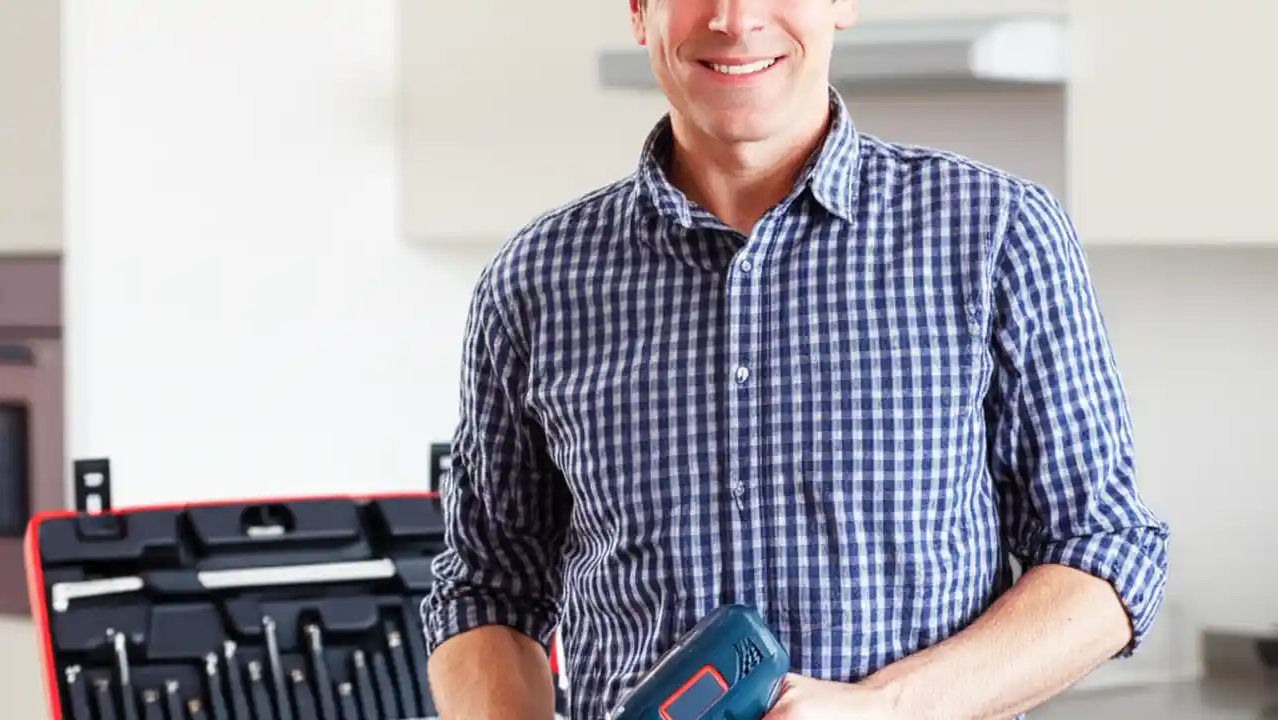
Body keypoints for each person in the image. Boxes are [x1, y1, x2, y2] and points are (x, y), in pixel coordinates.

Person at [422, 0, 1170, 718]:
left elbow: (1104, 555)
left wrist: (889, 708)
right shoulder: (536, 281)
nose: (736, 19)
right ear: (637, 7)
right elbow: (486, 592)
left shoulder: (995, 237)